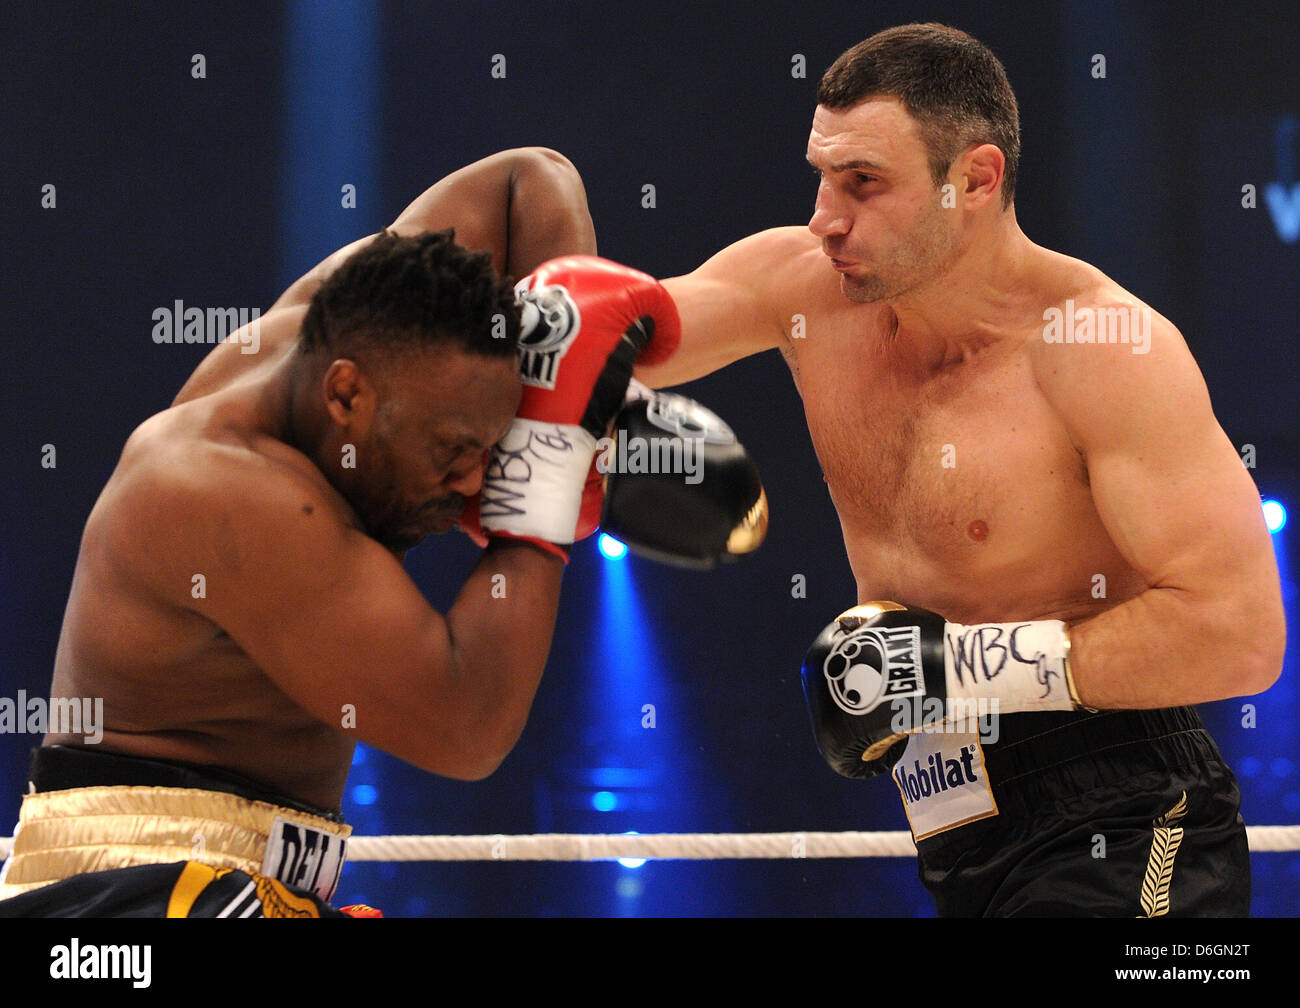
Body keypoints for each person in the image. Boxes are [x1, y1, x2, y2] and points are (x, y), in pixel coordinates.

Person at [636, 24, 1285, 916]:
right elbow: (614, 341)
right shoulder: (800, 289)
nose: (826, 214)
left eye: (864, 182)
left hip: (1131, 808)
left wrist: (958, 669)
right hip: (954, 822)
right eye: (823, 175)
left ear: (974, 179)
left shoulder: (1103, 348)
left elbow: (1241, 633)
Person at [0, 148, 687, 917]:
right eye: (454, 449)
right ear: (348, 396)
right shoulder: (225, 490)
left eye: (490, 451)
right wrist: (545, 468)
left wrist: (557, 351)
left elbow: (527, 177)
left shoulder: (358, 318)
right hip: (129, 895)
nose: (472, 481)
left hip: (244, 885)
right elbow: (468, 728)